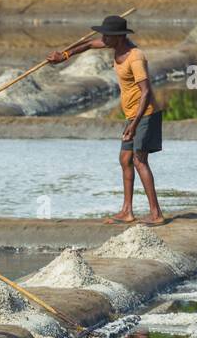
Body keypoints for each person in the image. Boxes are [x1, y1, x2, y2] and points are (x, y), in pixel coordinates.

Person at [48, 14, 166, 226]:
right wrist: (64, 55)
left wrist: (134, 124)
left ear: (119, 37)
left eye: (107, 35)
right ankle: (127, 211)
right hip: (132, 116)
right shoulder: (115, 46)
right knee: (125, 159)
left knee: (139, 160)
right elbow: (87, 45)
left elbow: (146, 92)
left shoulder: (135, 57)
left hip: (145, 114)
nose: (103, 39)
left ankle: (156, 214)